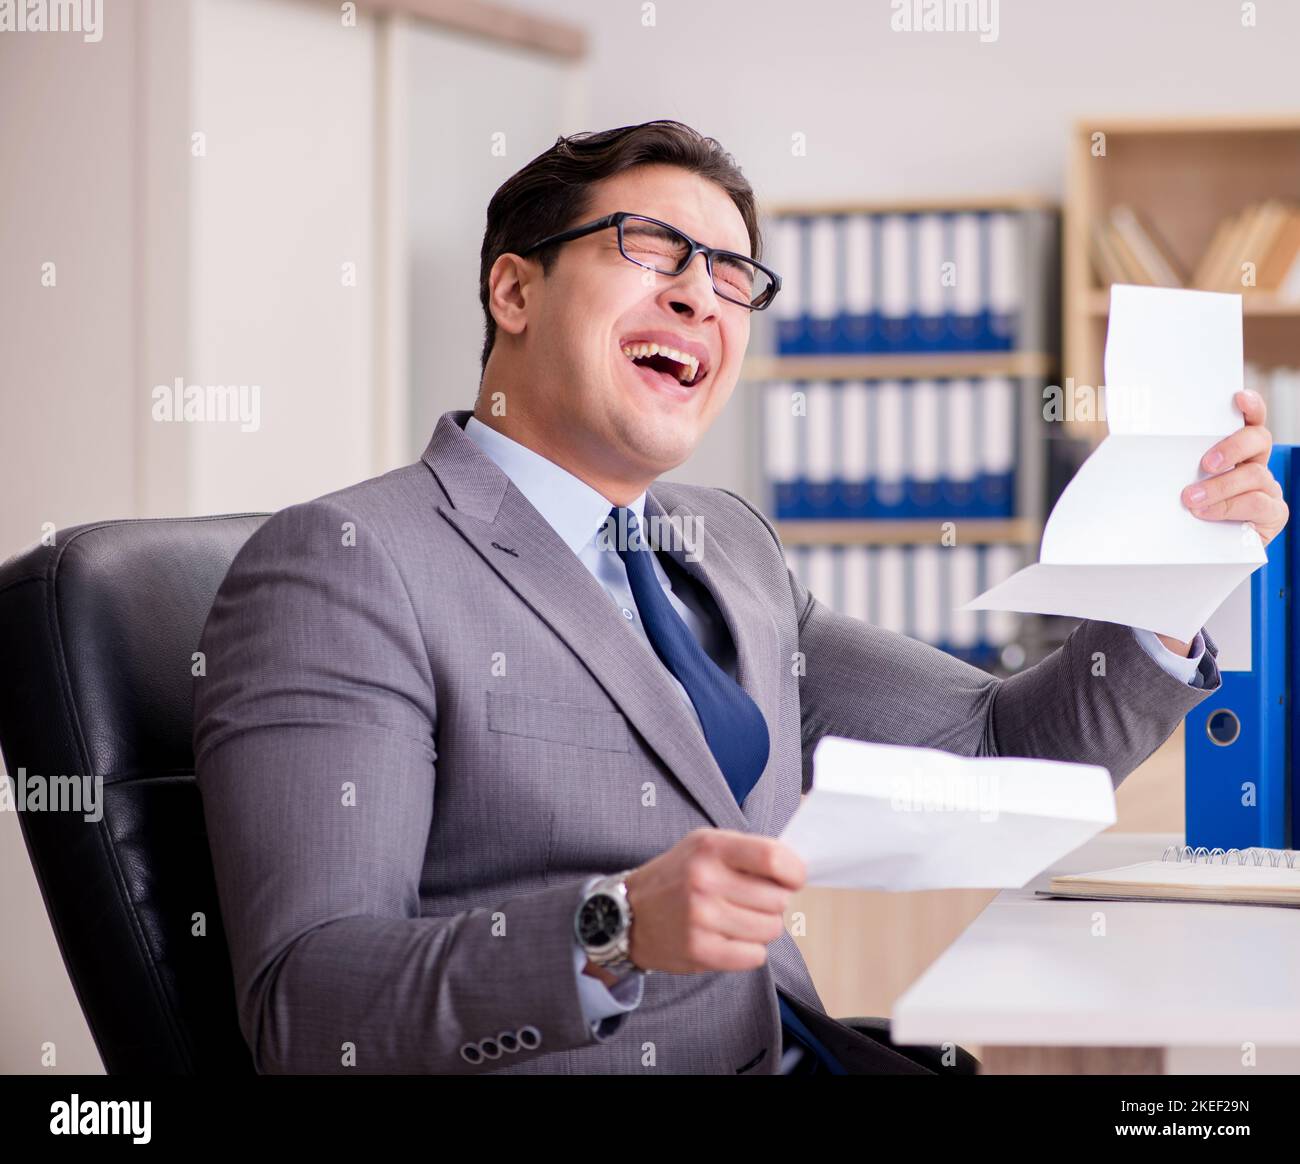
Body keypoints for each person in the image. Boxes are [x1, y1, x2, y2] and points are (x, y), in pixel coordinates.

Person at [193, 119, 1287, 1075]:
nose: (698, 294)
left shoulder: (723, 545)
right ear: (514, 290)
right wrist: (611, 932)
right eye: (652, 250)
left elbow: (1005, 744)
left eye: (732, 275)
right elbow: (309, 1007)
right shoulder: (346, 562)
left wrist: (1166, 564)